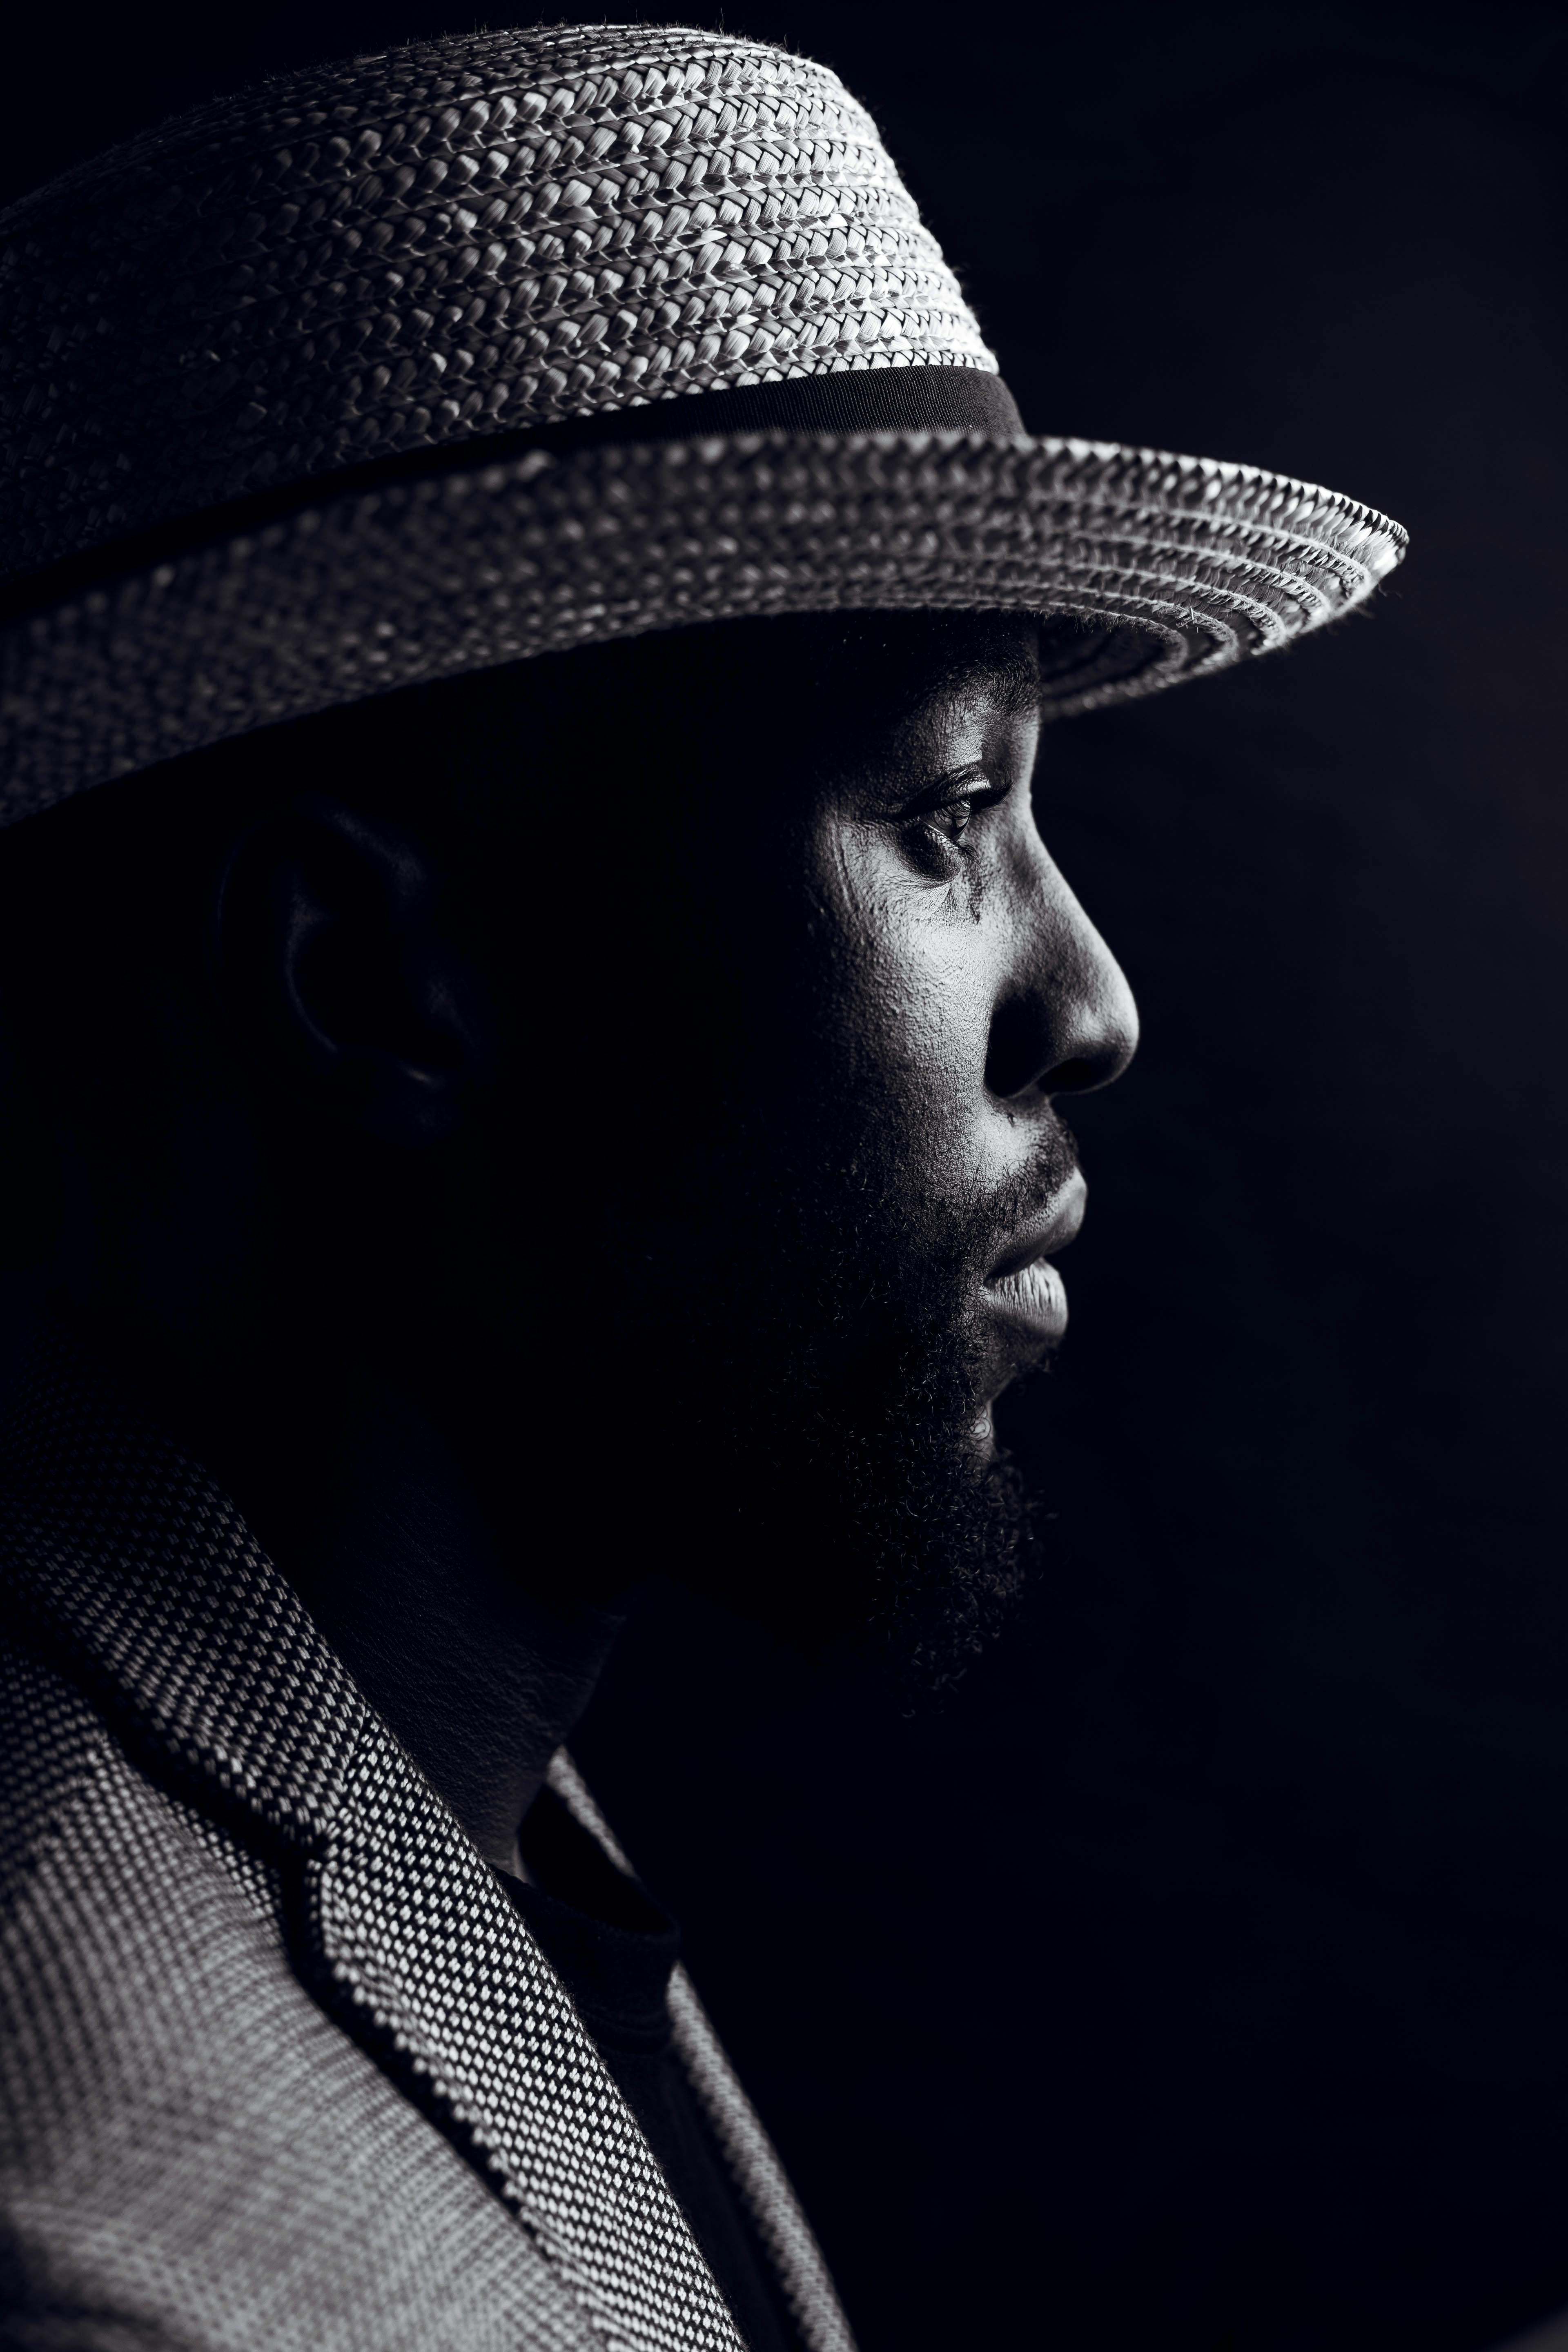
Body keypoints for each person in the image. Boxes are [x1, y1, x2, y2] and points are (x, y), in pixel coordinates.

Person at [0, 22, 1405, 2351]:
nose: (1095, 998)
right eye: (952, 816)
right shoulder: (110, 2236)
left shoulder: (406, 1775)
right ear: (367, 982)